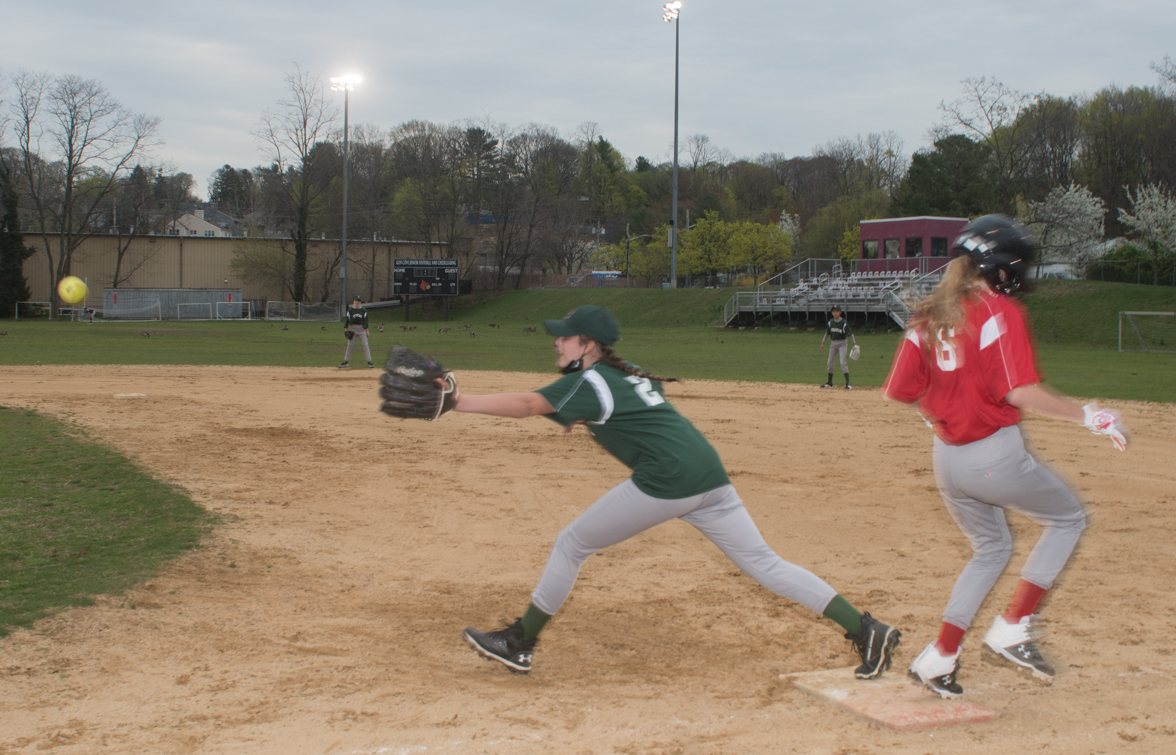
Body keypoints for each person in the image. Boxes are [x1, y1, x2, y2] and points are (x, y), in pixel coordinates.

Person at [454, 305, 900, 679]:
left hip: (668, 482)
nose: (557, 342)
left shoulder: (592, 381)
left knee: (571, 543)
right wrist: (581, 418)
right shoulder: (627, 376)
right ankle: (866, 629)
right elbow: (627, 416)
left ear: (587, 345)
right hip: (709, 478)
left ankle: (520, 641)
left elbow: (530, 405)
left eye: (566, 338)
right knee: (766, 564)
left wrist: (457, 401)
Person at [881, 215, 1130, 699]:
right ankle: (1013, 627)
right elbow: (1018, 391)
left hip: (947, 460)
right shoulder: (999, 311)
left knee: (990, 549)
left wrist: (942, 414)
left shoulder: (928, 315)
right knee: (1068, 519)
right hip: (993, 457)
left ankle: (941, 657)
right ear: (999, 267)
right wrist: (1087, 415)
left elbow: (901, 392)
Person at [819, 306, 855, 389]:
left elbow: (850, 334)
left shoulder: (843, 323)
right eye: (833, 311)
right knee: (830, 363)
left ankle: (848, 384)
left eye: (837, 311)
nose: (835, 313)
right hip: (833, 343)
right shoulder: (831, 322)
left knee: (843, 363)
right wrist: (823, 342)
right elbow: (827, 333)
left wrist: (854, 344)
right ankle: (829, 383)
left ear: (840, 312)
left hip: (842, 343)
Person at [339, 296, 373, 368]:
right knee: (350, 346)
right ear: (353, 301)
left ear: (360, 302)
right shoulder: (350, 310)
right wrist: (345, 329)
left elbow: (365, 321)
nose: (357, 302)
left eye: (358, 301)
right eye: (356, 301)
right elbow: (347, 320)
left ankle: (369, 362)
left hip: (361, 329)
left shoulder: (363, 311)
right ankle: (346, 362)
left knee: (365, 345)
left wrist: (367, 331)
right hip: (352, 329)